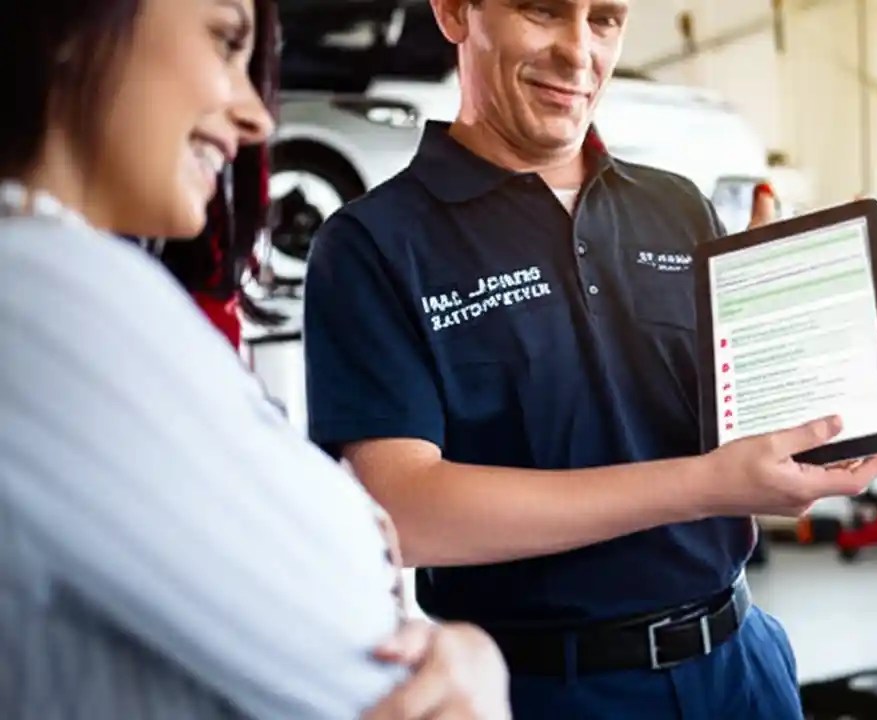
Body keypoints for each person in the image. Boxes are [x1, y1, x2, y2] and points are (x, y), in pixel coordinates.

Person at [302, 1, 877, 718]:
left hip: (743, 667)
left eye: (605, 19)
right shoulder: (373, 245)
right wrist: (704, 485)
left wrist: (823, 389)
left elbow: (734, 444)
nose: (578, 51)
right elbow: (402, 512)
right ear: (455, 12)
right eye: (543, 11)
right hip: (548, 692)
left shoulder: (677, 208)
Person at [0, 1, 509, 718]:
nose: (257, 118)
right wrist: (468, 656)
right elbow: (381, 673)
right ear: (67, 25)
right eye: (224, 40)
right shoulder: (44, 295)